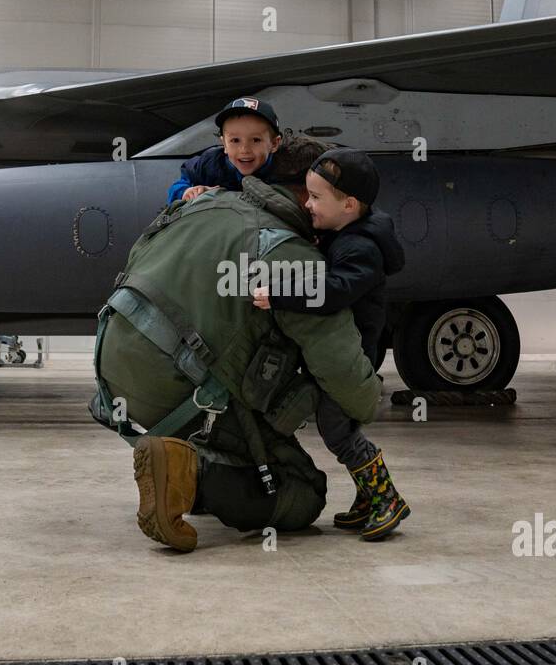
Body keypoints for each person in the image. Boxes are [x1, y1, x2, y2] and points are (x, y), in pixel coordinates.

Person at [90, 141, 381, 553]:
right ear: (303, 191)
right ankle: (188, 473)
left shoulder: (205, 205)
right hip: (177, 392)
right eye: (315, 196)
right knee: (302, 493)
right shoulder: (291, 254)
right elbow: (338, 365)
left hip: (113, 372)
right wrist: (369, 403)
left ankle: (184, 457)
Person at [252, 148, 409, 540]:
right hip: (344, 349)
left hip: (353, 355)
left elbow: (335, 291)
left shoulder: (361, 248)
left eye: (317, 198)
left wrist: (280, 294)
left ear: (350, 205)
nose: (308, 204)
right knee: (338, 424)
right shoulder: (346, 233)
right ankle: (366, 499)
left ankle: (386, 497)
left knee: (337, 429)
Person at [166, 97, 282, 203]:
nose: (244, 150)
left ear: (274, 144)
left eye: (256, 140)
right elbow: (181, 183)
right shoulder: (210, 164)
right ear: (224, 145)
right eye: (235, 140)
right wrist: (187, 192)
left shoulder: (285, 171)